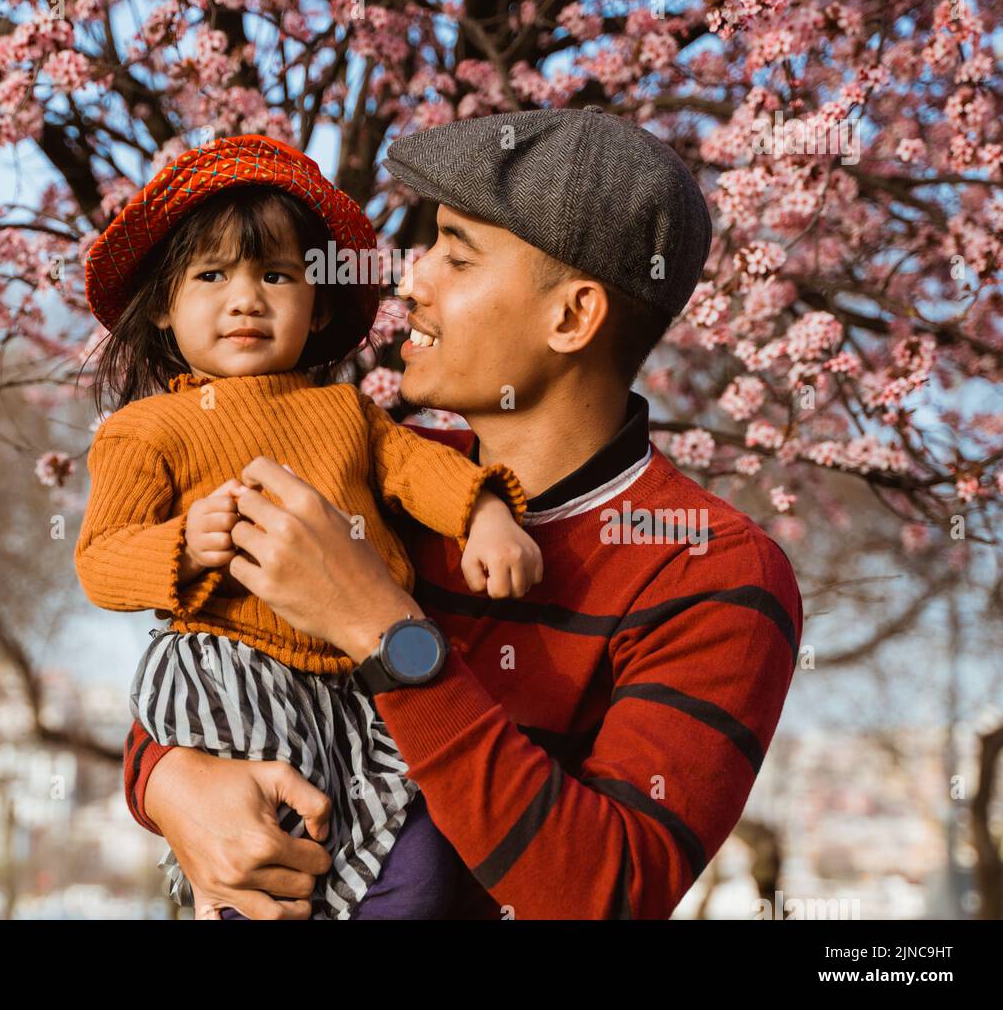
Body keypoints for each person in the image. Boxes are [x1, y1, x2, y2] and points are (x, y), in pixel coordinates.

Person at [119, 105, 804, 920]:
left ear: (571, 317)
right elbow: (219, 659)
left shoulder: (712, 572)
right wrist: (167, 780)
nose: (411, 282)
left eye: (457, 256)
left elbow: (604, 892)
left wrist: (383, 632)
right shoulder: (377, 468)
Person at [74, 132, 542, 919]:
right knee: (267, 872)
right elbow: (100, 560)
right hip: (232, 676)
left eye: (276, 276)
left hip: (366, 687)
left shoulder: (345, 412)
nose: (246, 298)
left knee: (417, 865)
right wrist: (183, 544)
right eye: (211, 276)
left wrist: (485, 513)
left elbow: (418, 470)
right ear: (162, 304)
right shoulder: (147, 430)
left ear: (317, 301)